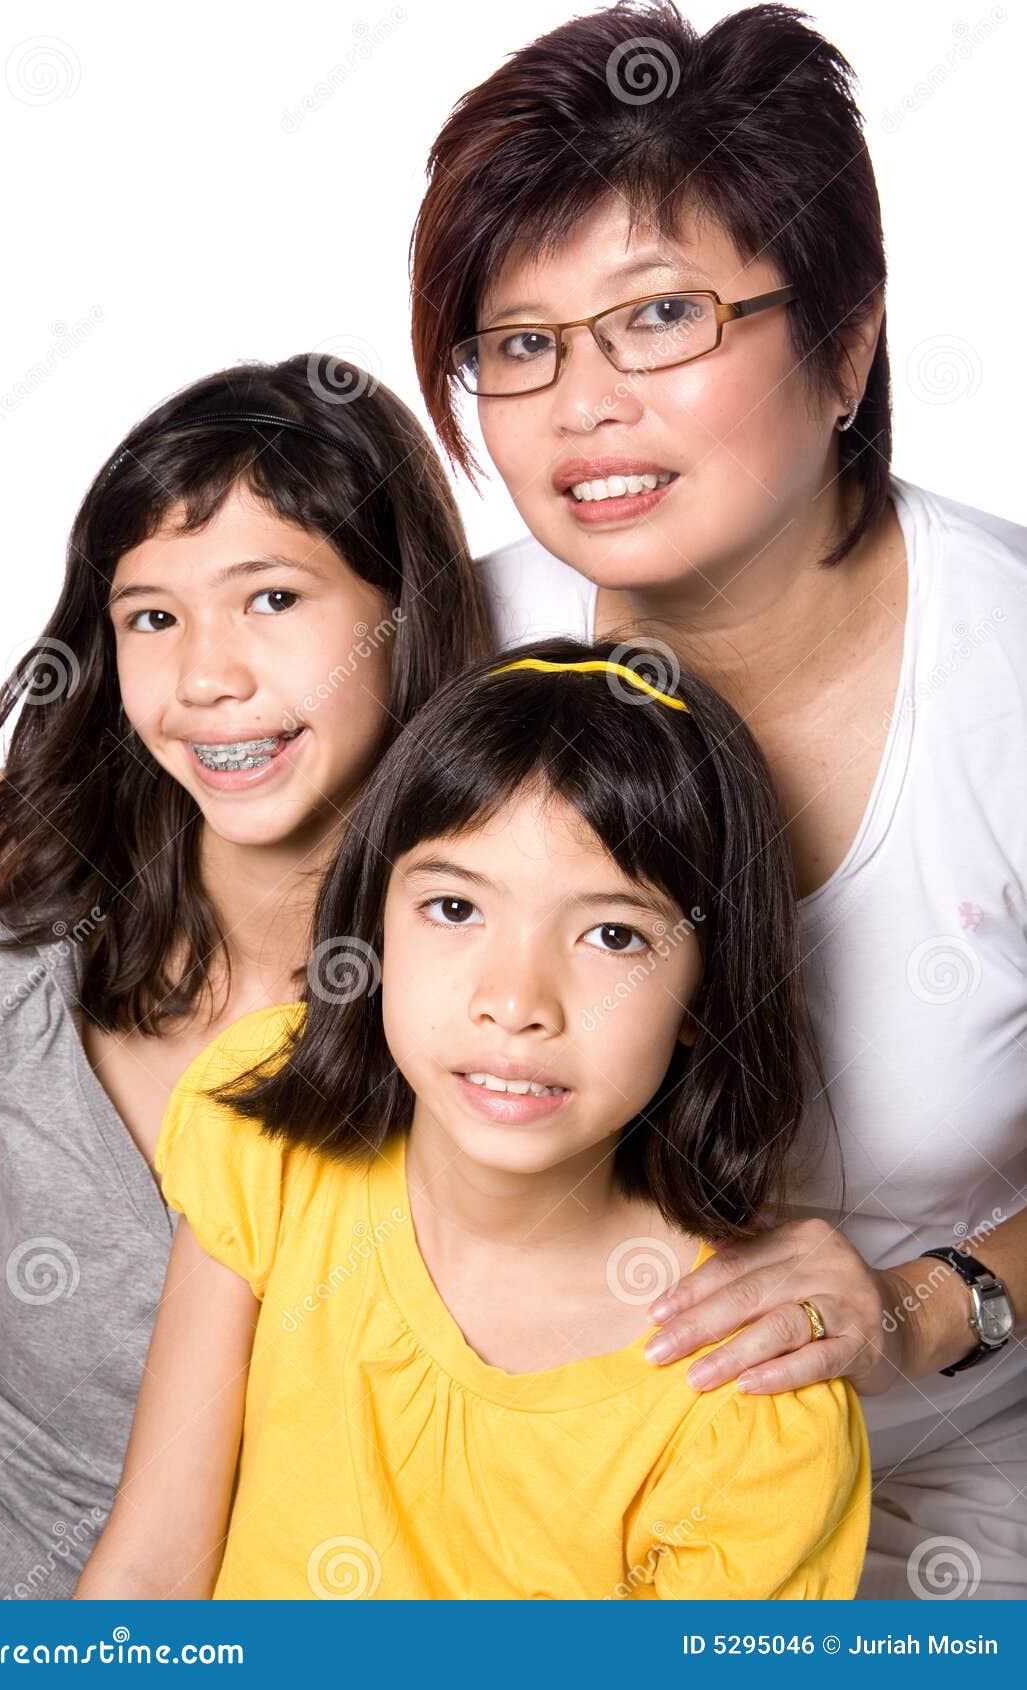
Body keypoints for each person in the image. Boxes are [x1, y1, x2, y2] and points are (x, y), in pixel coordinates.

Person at [408, 0, 1026, 1599]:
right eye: (518, 342)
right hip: (515, 1438)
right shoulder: (444, 647)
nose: (578, 405)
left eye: (659, 318)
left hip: (934, 1465)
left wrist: (924, 1302)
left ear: (843, 343)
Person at [73, 638, 870, 1600]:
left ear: (706, 992)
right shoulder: (272, 1137)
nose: (514, 1000)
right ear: (372, 929)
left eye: (611, 935)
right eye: (454, 908)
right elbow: (153, 1569)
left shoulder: (751, 1399)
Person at [0, 354, 490, 1597]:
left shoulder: (490, 1010)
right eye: (151, 614)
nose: (206, 677)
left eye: (271, 599)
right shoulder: (22, 915)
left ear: (399, 610)